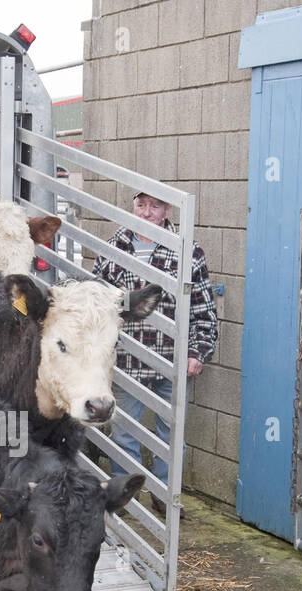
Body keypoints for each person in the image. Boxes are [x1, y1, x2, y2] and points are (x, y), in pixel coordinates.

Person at [92, 190, 218, 516]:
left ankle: (165, 496)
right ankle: (124, 498)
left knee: (171, 434)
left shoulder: (188, 252)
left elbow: (203, 308)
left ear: (166, 211)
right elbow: (96, 301)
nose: (147, 213)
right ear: (132, 206)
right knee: (123, 432)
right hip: (127, 359)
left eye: (155, 206)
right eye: (141, 205)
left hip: (170, 358)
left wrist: (198, 352)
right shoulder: (113, 247)